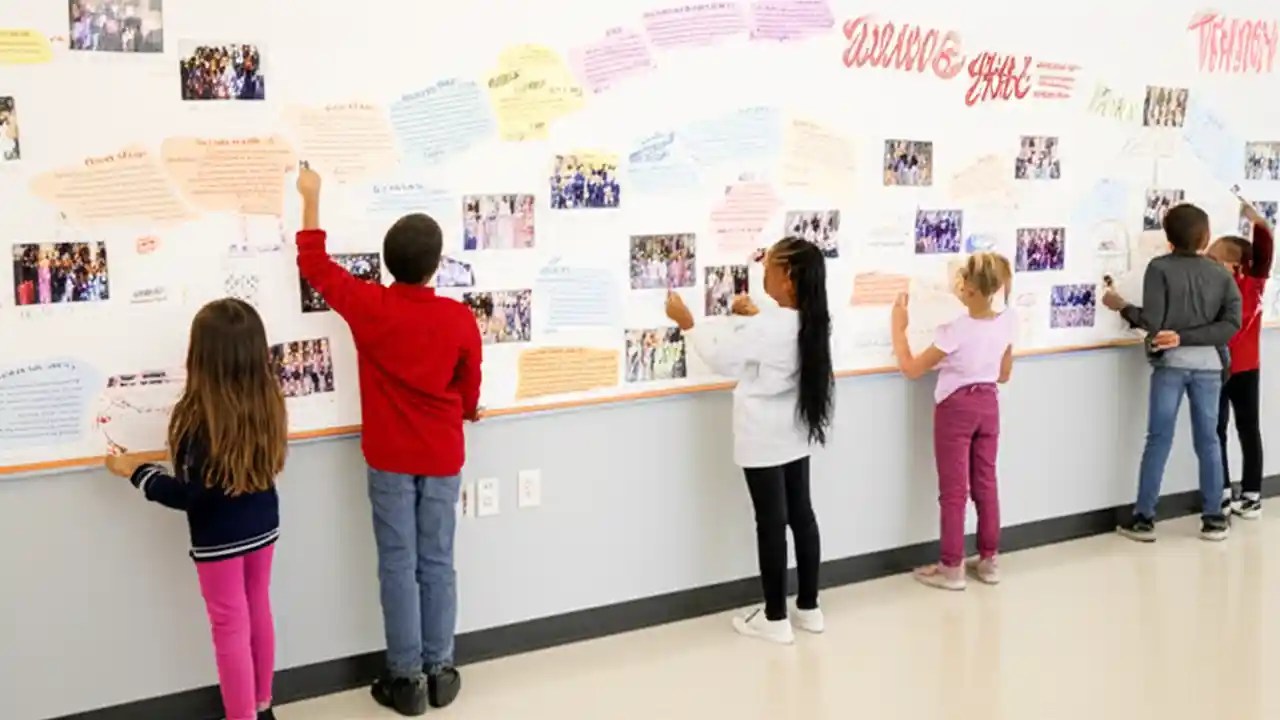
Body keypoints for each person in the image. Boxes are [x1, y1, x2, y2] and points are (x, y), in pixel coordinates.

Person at [294, 163, 481, 716]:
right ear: (435, 266)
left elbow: (314, 265)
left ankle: (405, 682)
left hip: (390, 459)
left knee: (398, 563)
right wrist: (467, 411)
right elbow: (469, 390)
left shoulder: (371, 306)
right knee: (438, 562)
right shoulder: (457, 319)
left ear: (386, 264)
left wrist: (310, 197)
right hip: (443, 455)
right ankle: (440, 670)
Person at [104, 298, 288, 720]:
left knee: (229, 625)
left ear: (199, 356)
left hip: (218, 538)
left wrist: (136, 471)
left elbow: (187, 496)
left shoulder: (195, 417)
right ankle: (262, 706)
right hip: (263, 525)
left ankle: (241, 715)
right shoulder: (269, 400)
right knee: (257, 606)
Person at [664, 237, 833, 644]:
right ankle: (808, 608)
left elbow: (723, 357)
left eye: (769, 266)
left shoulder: (769, 327)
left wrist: (686, 322)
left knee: (770, 522)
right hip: (793, 431)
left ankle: (774, 617)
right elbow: (771, 341)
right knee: (801, 515)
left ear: (788, 278)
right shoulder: (812, 320)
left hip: (762, 434)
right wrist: (753, 316)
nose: (763, 272)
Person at [1103, 203, 1242, 542]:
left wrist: (1120, 305)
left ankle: (1144, 520)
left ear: (1168, 237)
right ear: (1205, 237)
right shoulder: (1221, 274)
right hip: (1209, 367)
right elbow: (1230, 325)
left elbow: (1152, 321)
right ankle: (1213, 520)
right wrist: (1192, 336)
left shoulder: (1160, 268)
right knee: (1208, 440)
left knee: (1158, 440)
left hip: (1171, 365)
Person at [890, 253, 1015, 591]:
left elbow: (912, 368)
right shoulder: (1008, 322)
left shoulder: (954, 330)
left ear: (971, 290)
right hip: (989, 405)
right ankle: (989, 562)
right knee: (986, 484)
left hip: (956, 409)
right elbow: (1003, 374)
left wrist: (898, 328)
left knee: (954, 490)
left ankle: (952, 567)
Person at [1206, 201, 1274, 519]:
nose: (1208, 263)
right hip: (1217, 367)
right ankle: (1221, 490)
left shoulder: (1253, 283)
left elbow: (1265, 244)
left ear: (1235, 266)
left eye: (1213, 259)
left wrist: (1256, 220)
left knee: (1248, 428)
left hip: (1245, 367)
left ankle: (1251, 495)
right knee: (1217, 428)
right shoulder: (1215, 286)